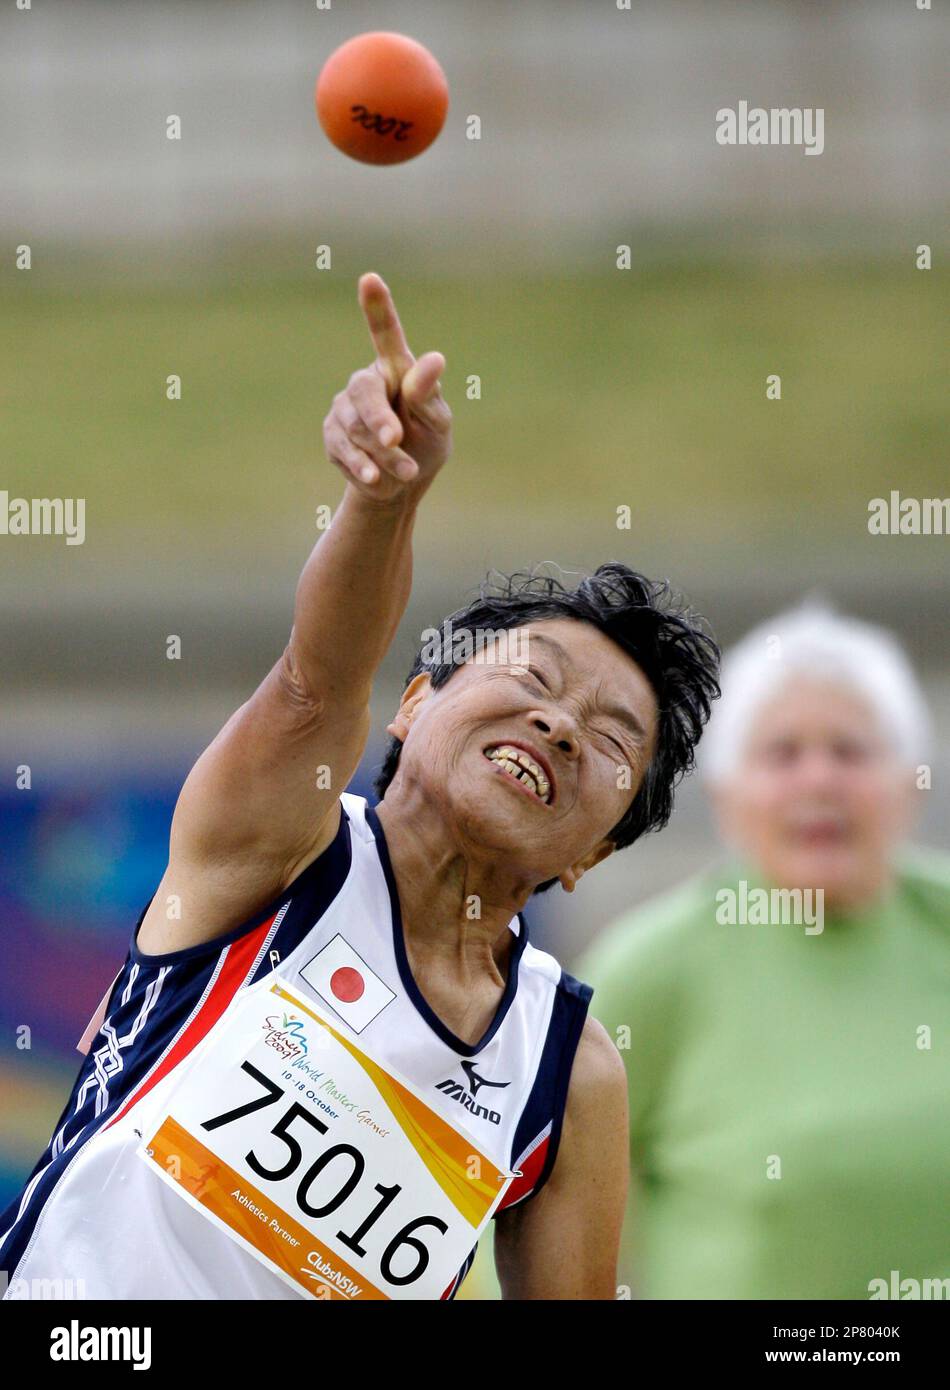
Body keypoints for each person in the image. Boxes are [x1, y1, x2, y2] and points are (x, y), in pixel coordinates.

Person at [0, 274, 719, 1302]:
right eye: (531, 678)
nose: (559, 725)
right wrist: (386, 498)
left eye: (610, 740)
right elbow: (311, 682)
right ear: (416, 702)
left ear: (591, 854)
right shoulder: (284, 852)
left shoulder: (568, 1074)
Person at [580, 602, 950, 1300]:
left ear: (909, 784)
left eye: (851, 750)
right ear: (726, 794)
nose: (819, 781)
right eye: (782, 753)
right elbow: (524, 1195)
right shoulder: (652, 968)